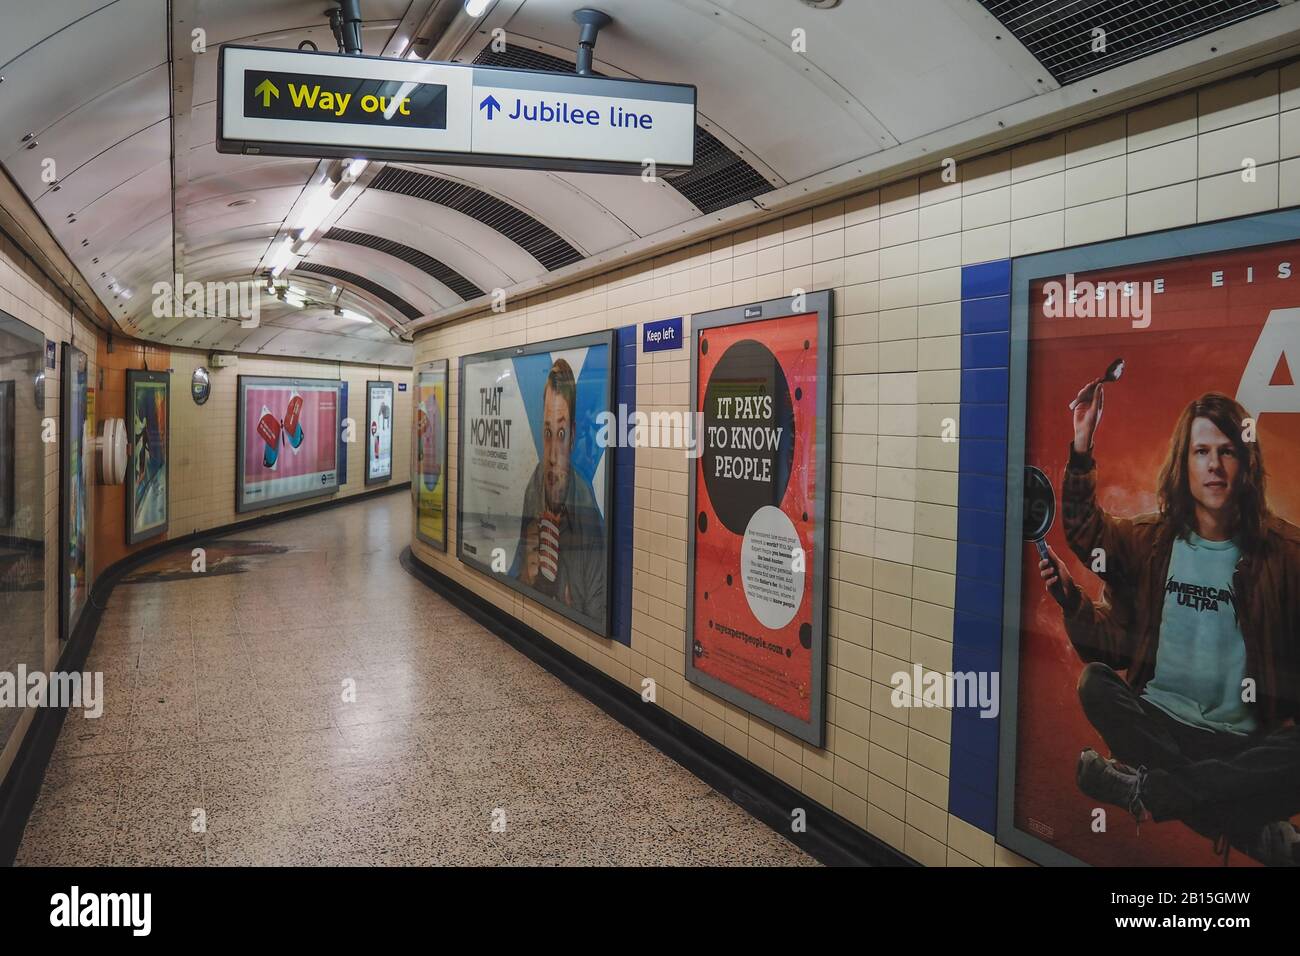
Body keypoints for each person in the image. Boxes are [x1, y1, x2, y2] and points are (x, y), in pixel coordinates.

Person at [1039, 384, 1300, 865]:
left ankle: (1148, 790)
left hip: (1241, 746)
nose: (1214, 466)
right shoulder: (1151, 540)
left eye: (1227, 452)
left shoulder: (1285, 555)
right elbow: (1086, 533)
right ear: (1184, 462)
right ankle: (1246, 829)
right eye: (1202, 452)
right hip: (1160, 727)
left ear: (1247, 463)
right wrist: (1082, 445)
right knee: (1097, 684)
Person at [514, 358, 606, 620]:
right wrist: (526, 577)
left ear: (574, 437)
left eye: (562, 434)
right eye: (547, 432)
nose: (553, 455)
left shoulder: (587, 517)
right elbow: (520, 572)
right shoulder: (534, 488)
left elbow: (598, 614)